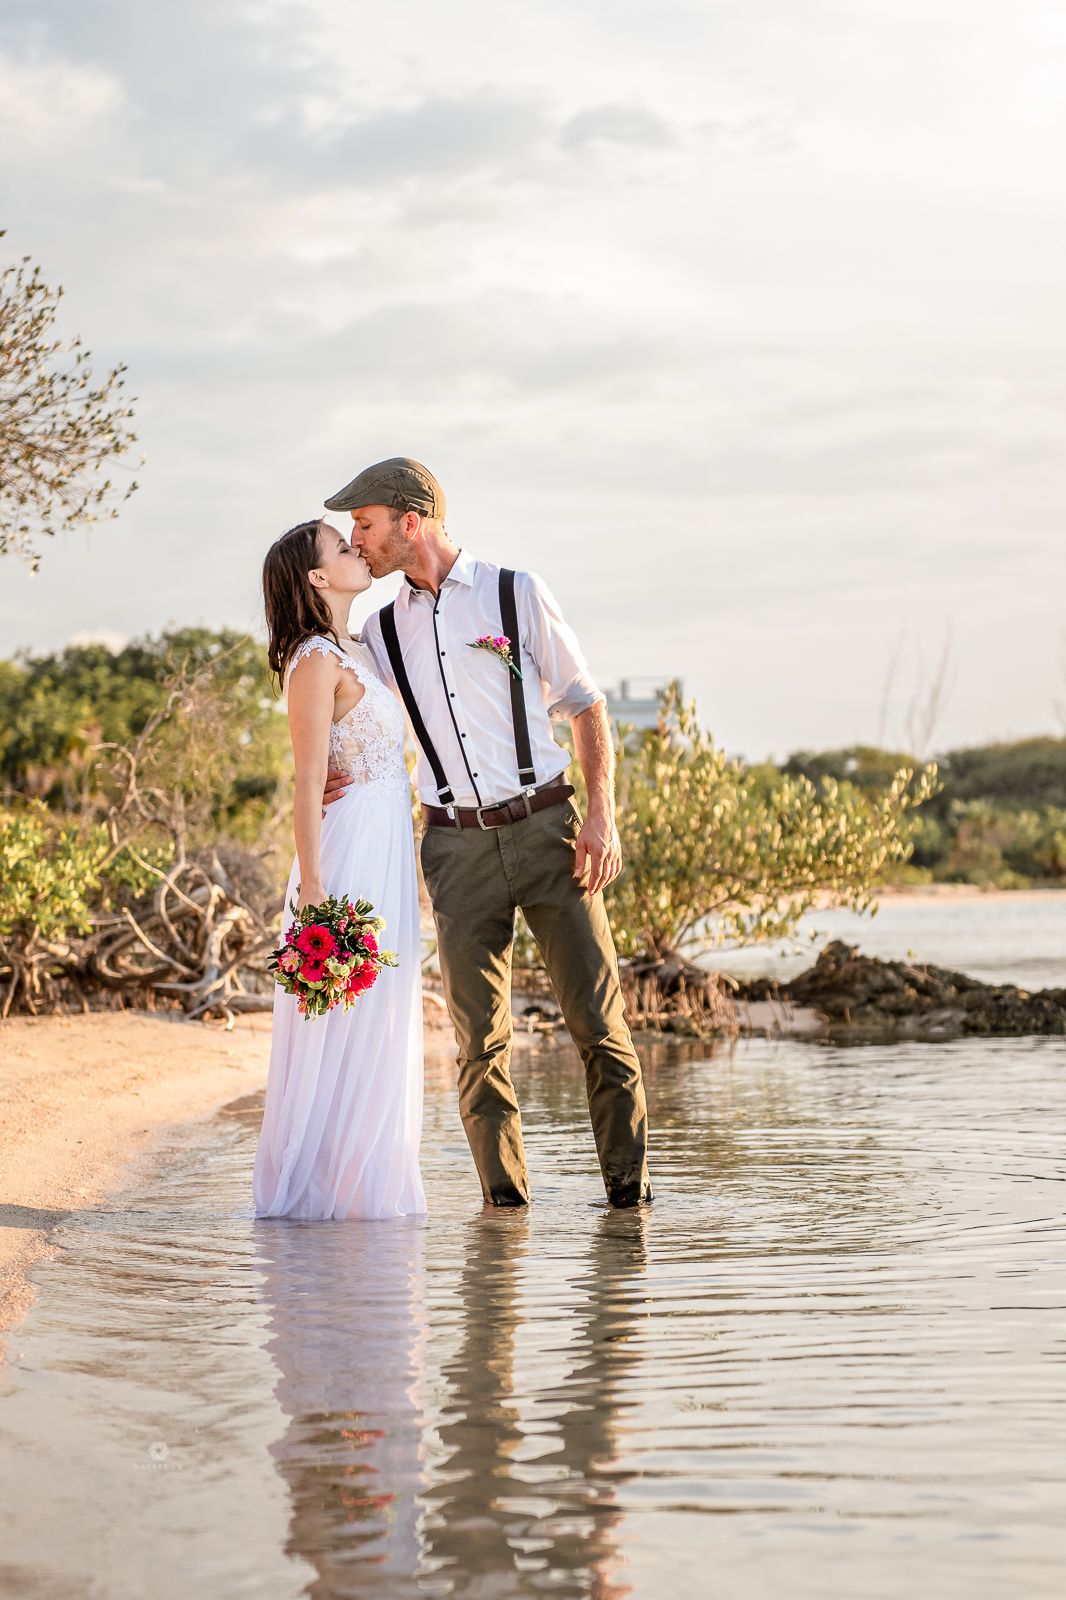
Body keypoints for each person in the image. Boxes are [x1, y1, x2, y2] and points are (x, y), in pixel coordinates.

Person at [321, 457, 652, 1209]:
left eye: (364, 525)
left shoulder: (516, 592)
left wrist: (602, 816)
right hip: (453, 852)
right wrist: (329, 769)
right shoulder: (378, 632)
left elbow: (586, 706)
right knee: (478, 1046)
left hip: (549, 832)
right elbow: (349, 710)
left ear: (411, 521)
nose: (357, 540)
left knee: (600, 1026)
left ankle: (628, 1212)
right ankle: (505, 1218)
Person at [252, 518, 426, 1221]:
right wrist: (314, 888)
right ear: (318, 578)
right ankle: (323, 1198)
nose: (356, 549)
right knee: (345, 1019)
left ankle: (366, 1191)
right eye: (340, 545)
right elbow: (305, 782)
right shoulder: (315, 661)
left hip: (388, 850)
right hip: (348, 853)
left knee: (384, 1017)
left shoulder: (362, 651)